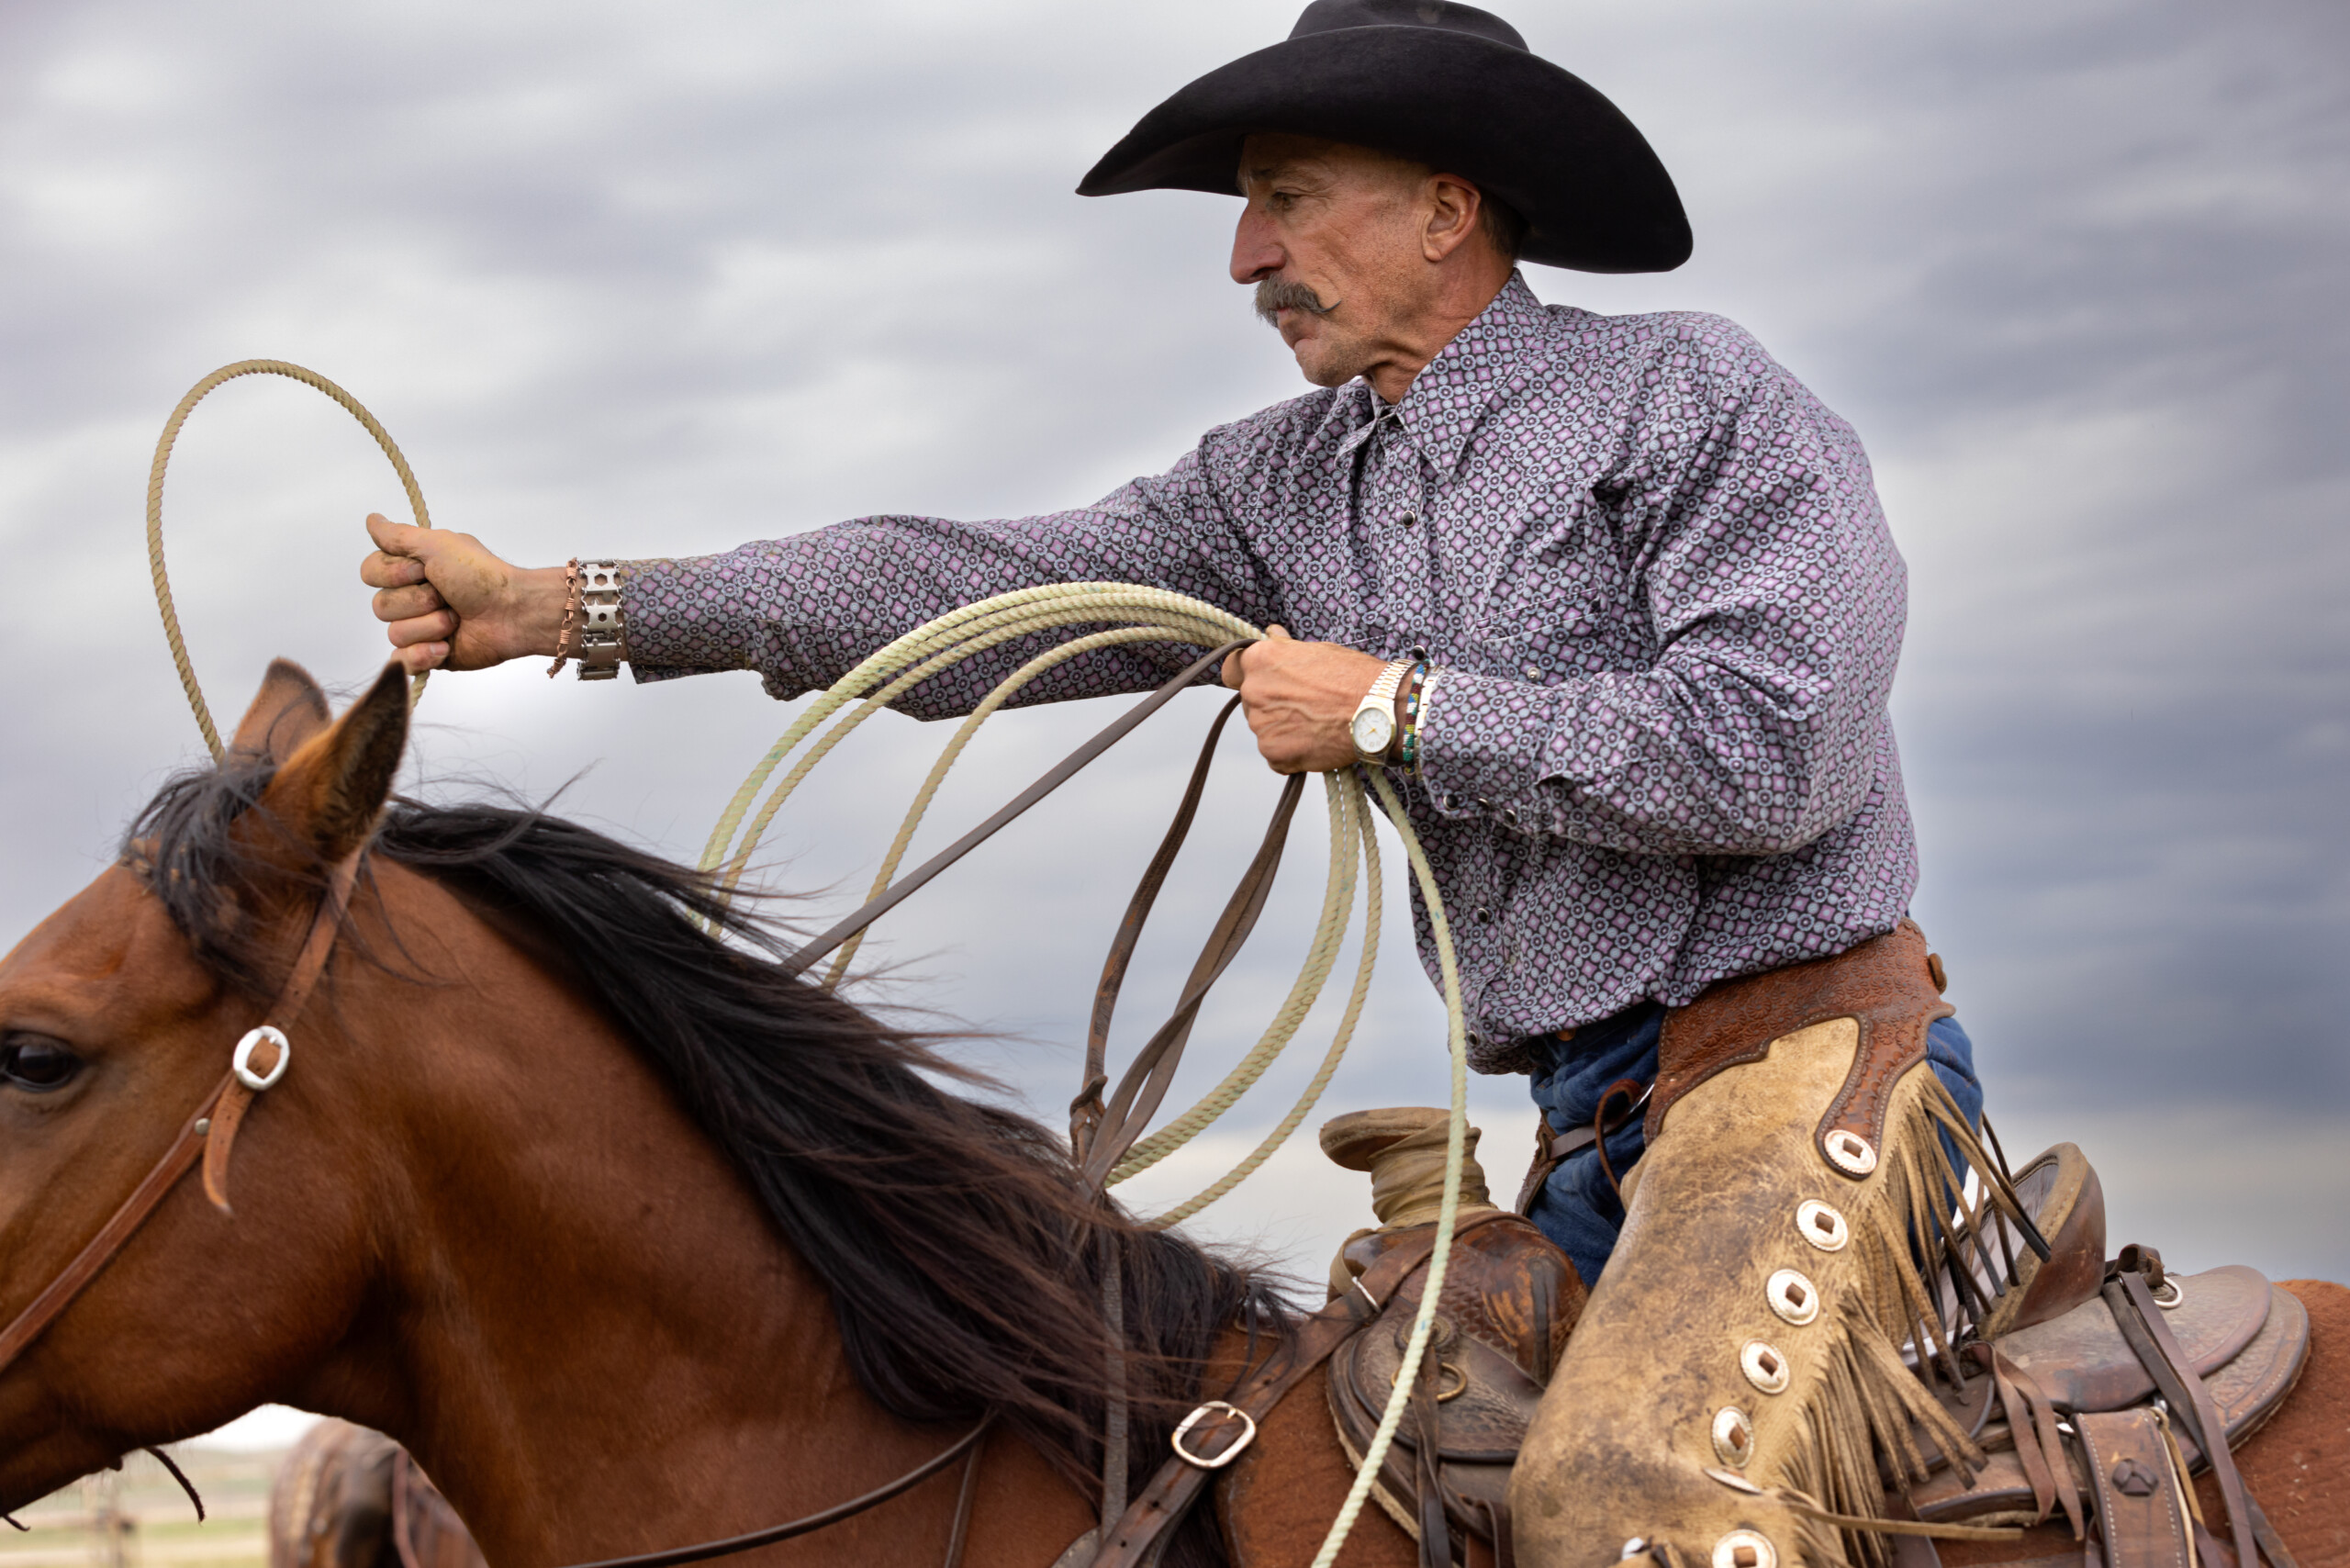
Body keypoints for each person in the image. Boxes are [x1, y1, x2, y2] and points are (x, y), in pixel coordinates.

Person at [364, 4, 2017, 1559]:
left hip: (1807, 1076)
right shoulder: (1279, 484)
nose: (1248, 258)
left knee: (1624, 1485)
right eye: (1249, 215)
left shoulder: (1692, 394)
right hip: (1589, 1136)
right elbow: (976, 593)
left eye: (1287, 202)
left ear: (1448, 210)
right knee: (1322, 1481)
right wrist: (569, 606)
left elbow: (1771, 750)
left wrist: (1396, 712)